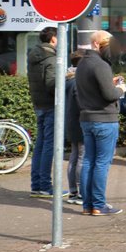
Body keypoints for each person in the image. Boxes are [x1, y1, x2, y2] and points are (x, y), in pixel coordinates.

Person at [74, 30, 125, 215]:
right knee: (102, 163)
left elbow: (89, 89)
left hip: (87, 118)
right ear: (96, 44)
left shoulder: (83, 64)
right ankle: (98, 204)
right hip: (104, 119)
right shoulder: (101, 65)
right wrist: (120, 88)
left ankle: (88, 205)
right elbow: (110, 95)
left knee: (89, 161)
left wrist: (109, 83)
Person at [26, 26, 59, 199]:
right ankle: (46, 186)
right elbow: (52, 84)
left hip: (38, 104)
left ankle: (36, 185)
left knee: (40, 144)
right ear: (53, 39)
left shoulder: (34, 55)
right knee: (48, 146)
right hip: (50, 105)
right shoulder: (51, 58)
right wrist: (65, 80)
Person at [63, 50, 85, 205]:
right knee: (82, 157)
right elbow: (82, 104)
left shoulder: (67, 79)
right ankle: (80, 192)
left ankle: (72, 191)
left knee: (74, 156)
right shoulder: (79, 81)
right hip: (81, 122)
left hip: (70, 122)